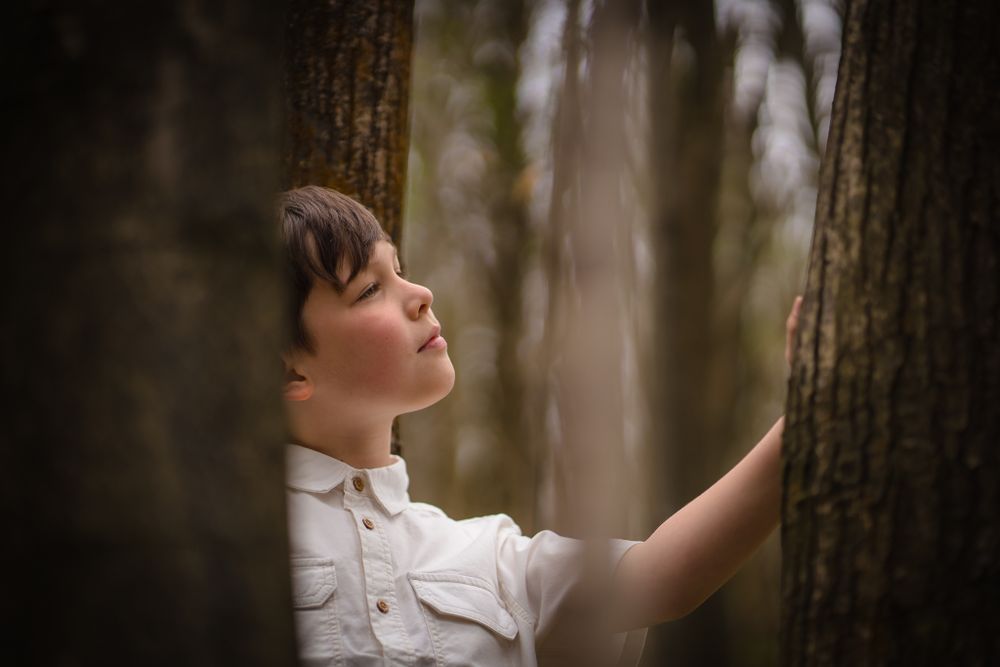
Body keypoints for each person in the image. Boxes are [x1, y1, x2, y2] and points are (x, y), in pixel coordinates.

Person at [280, 185, 800, 666]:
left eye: (400, 270)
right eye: (370, 289)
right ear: (288, 371)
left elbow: (660, 579)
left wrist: (802, 415)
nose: (421, 293)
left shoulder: (490, 556)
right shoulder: (237, 549)